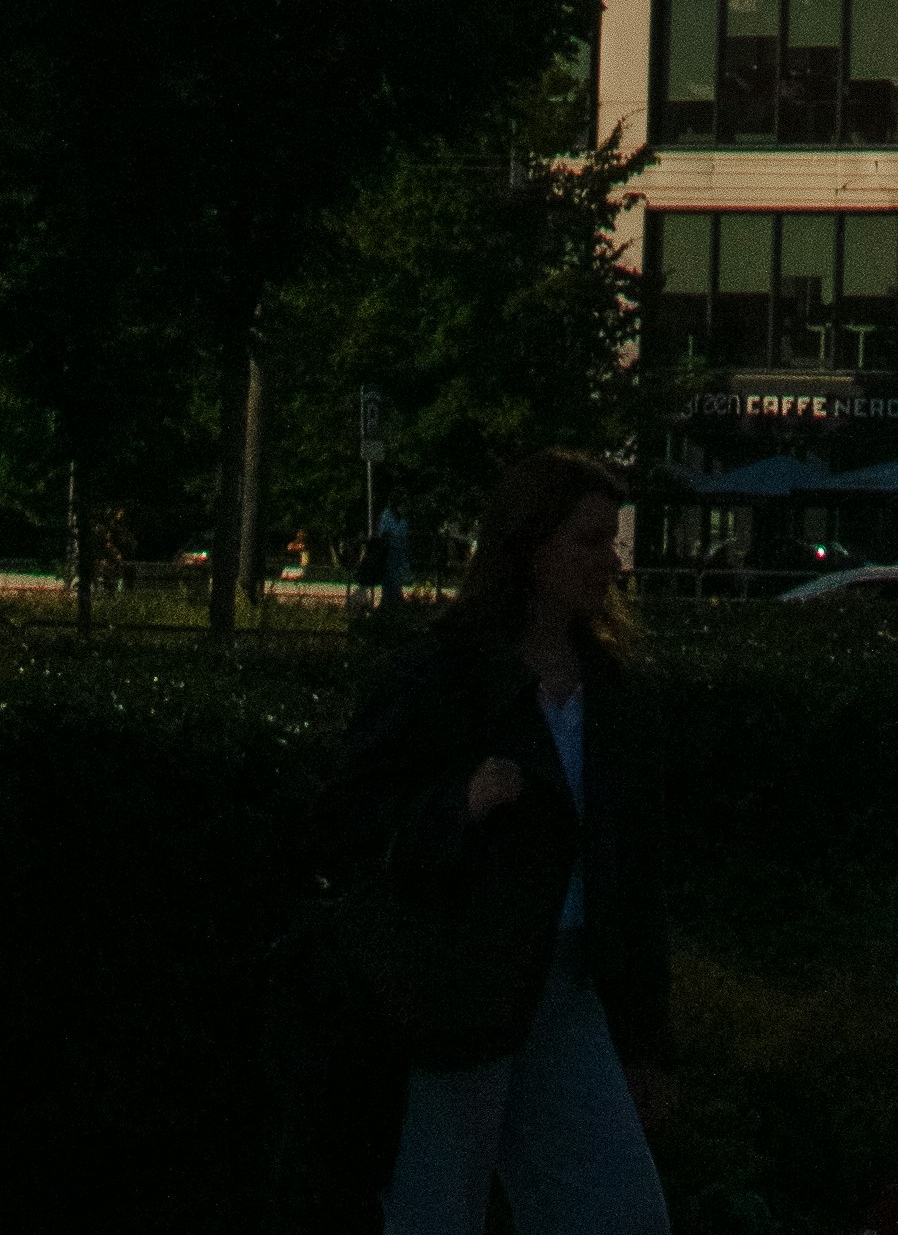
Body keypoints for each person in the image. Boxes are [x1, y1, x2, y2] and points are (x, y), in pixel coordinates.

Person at [278, 450, 675, 1235]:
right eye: (590, 541)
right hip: (463, 984)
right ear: (532, 548)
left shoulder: (609, 687)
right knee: (440, 1208)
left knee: (616, 1213)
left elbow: (635, 873)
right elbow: (348, 817)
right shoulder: (448, 673)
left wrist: (646, 1040)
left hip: (560, 985)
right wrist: (454, 806)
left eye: (611, 540)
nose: (611, 562)